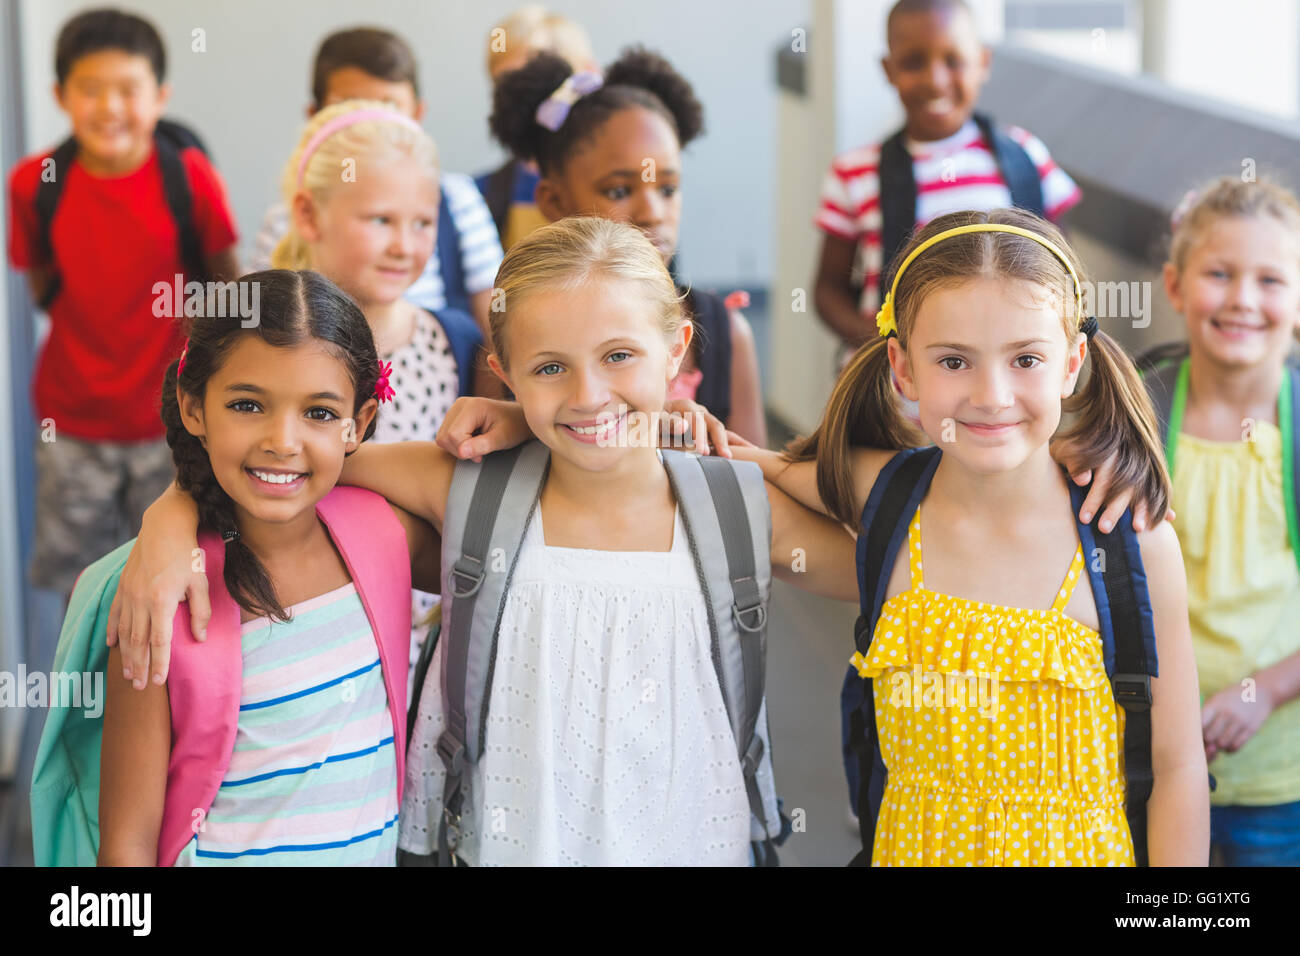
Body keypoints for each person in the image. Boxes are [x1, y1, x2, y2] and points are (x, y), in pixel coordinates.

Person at [104, 218, 860, 865]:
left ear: (678, 351)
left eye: (620, 356)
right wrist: (170, 515)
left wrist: (748, 456)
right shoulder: (465, 484)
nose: (589, 394)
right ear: (504, 374)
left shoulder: (737, 507)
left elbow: (897, 546)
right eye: (550, 368)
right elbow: (291, 463)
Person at [739, 209, 1208, 865]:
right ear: (902, 369)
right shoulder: (891, 504)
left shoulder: (1129, 541)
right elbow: (759, 496)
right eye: (954, 361)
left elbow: (1178, 766)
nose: (991, 396)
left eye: (1026, 359)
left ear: (1072, 362)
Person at [38, 270, 440, 865]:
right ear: (193, 407)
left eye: (320, 413)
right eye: (247, 405)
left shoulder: (388, 535)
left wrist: (507, 418)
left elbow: (521, 506)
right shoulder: (157, 596)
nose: (282, 440)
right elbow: (127, 846)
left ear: (361, 422)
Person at [6, 7, 238, 601]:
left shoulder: (188, 178)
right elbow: (43, 285)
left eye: (128, 89)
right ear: (61, 95)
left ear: (159, 96)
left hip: (174, 424)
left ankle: (154, 695)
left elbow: (225, 290)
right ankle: (84, 694)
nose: (110, 106)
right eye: (90, 89)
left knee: (173, 580)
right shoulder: (37, 184)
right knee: (78, 587)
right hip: (72, 423)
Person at [272, 98, 488, 694]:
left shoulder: (458, 341)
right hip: (297, 639)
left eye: (421, 223)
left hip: (427, 650)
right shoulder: (258, 342)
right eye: (380, 220)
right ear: (309, 216)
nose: (405, 245)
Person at [488, 47, 769, 445]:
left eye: (668, 188)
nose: (652, 212)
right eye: (619, 190)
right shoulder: (518, 326)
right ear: (553, 201)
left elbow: (752, 482)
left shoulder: (725, 332)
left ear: (678, 348)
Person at [1146, 176, 1300, 866]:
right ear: (1176, 287)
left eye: (1270, 280)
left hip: (1278, 784)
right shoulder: (1136, 423)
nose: (1242, 298)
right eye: (1219, 273)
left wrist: (1264, 691)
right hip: (1142, 766)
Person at [813, 0, 1080, 361]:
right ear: (888, 70)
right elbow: (828, 289)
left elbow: (1063, 269)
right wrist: (885, 346)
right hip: (890, 386)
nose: (935, 80)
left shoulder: (1025, 155)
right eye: (913, 62)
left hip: (1000, 376)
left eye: (953, 60)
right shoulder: (855, 172)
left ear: (983, 62)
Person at [249, 26, 503, 337]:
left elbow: (492, 323)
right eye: (350, 105)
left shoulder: (458, 198)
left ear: (418, 112)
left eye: (390, 106)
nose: (372, 121)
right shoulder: (283, 220)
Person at [476, 4, 597, 251]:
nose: (523, 102)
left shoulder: (618, 183)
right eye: (507, 88)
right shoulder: (479, 197)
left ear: (586, 77)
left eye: (540, 84)